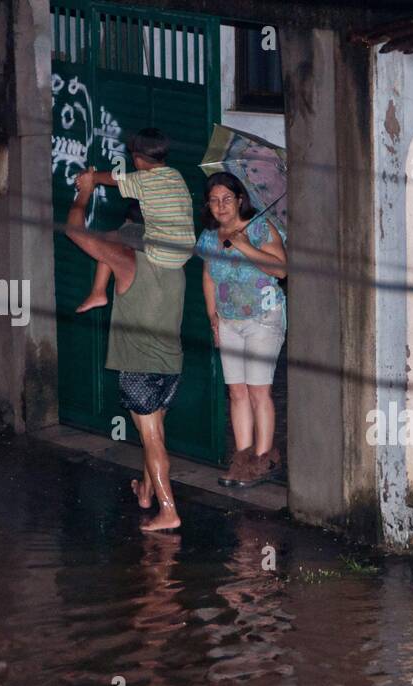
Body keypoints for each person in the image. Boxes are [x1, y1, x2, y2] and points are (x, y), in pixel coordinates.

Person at [64, 131, 194, 533]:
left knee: (153, 438)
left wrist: (82, 195)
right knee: (151, 429)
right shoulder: (176, 265)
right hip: (171, 364)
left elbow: (75, 232)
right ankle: (146, 493)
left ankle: (168, 510)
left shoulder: (128, 263)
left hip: (138, 363)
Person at [195, 172, 288, 488]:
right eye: (214, 200)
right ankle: (243, 456)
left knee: (259, 390)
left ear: (239, 200)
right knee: (236, 391)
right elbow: (209, 276)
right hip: (229, 321)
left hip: (263, 318)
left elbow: (281, 268)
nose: (220, 206)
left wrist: (245, 244)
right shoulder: (209, 236)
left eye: (226, 199)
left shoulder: (260, 227)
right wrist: (212, 316)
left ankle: (263, 459)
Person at [73, 129, 196, 313]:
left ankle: (98, 292)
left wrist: (91, 179)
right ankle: (98, 293)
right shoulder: (176, 176)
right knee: (129, 231)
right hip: (182, 251)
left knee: (109, 239)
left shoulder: (143, 180)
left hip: (160, 253)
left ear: (137, 159)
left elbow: (115, 178)